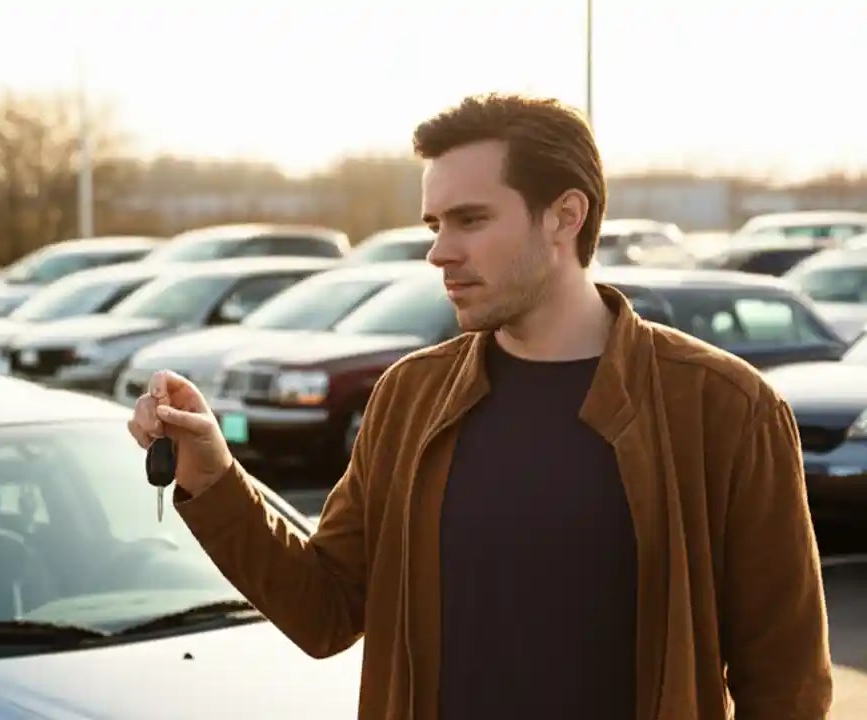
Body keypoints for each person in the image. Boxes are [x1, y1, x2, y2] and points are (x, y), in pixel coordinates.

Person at [127, 93, 832, 720]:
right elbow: (326, 610)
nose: (439, 252)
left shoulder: (724, 408)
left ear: (565, 216)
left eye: (469, 220)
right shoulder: (409, 398)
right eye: (435, 223)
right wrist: (214, 477)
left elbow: (787, 687)